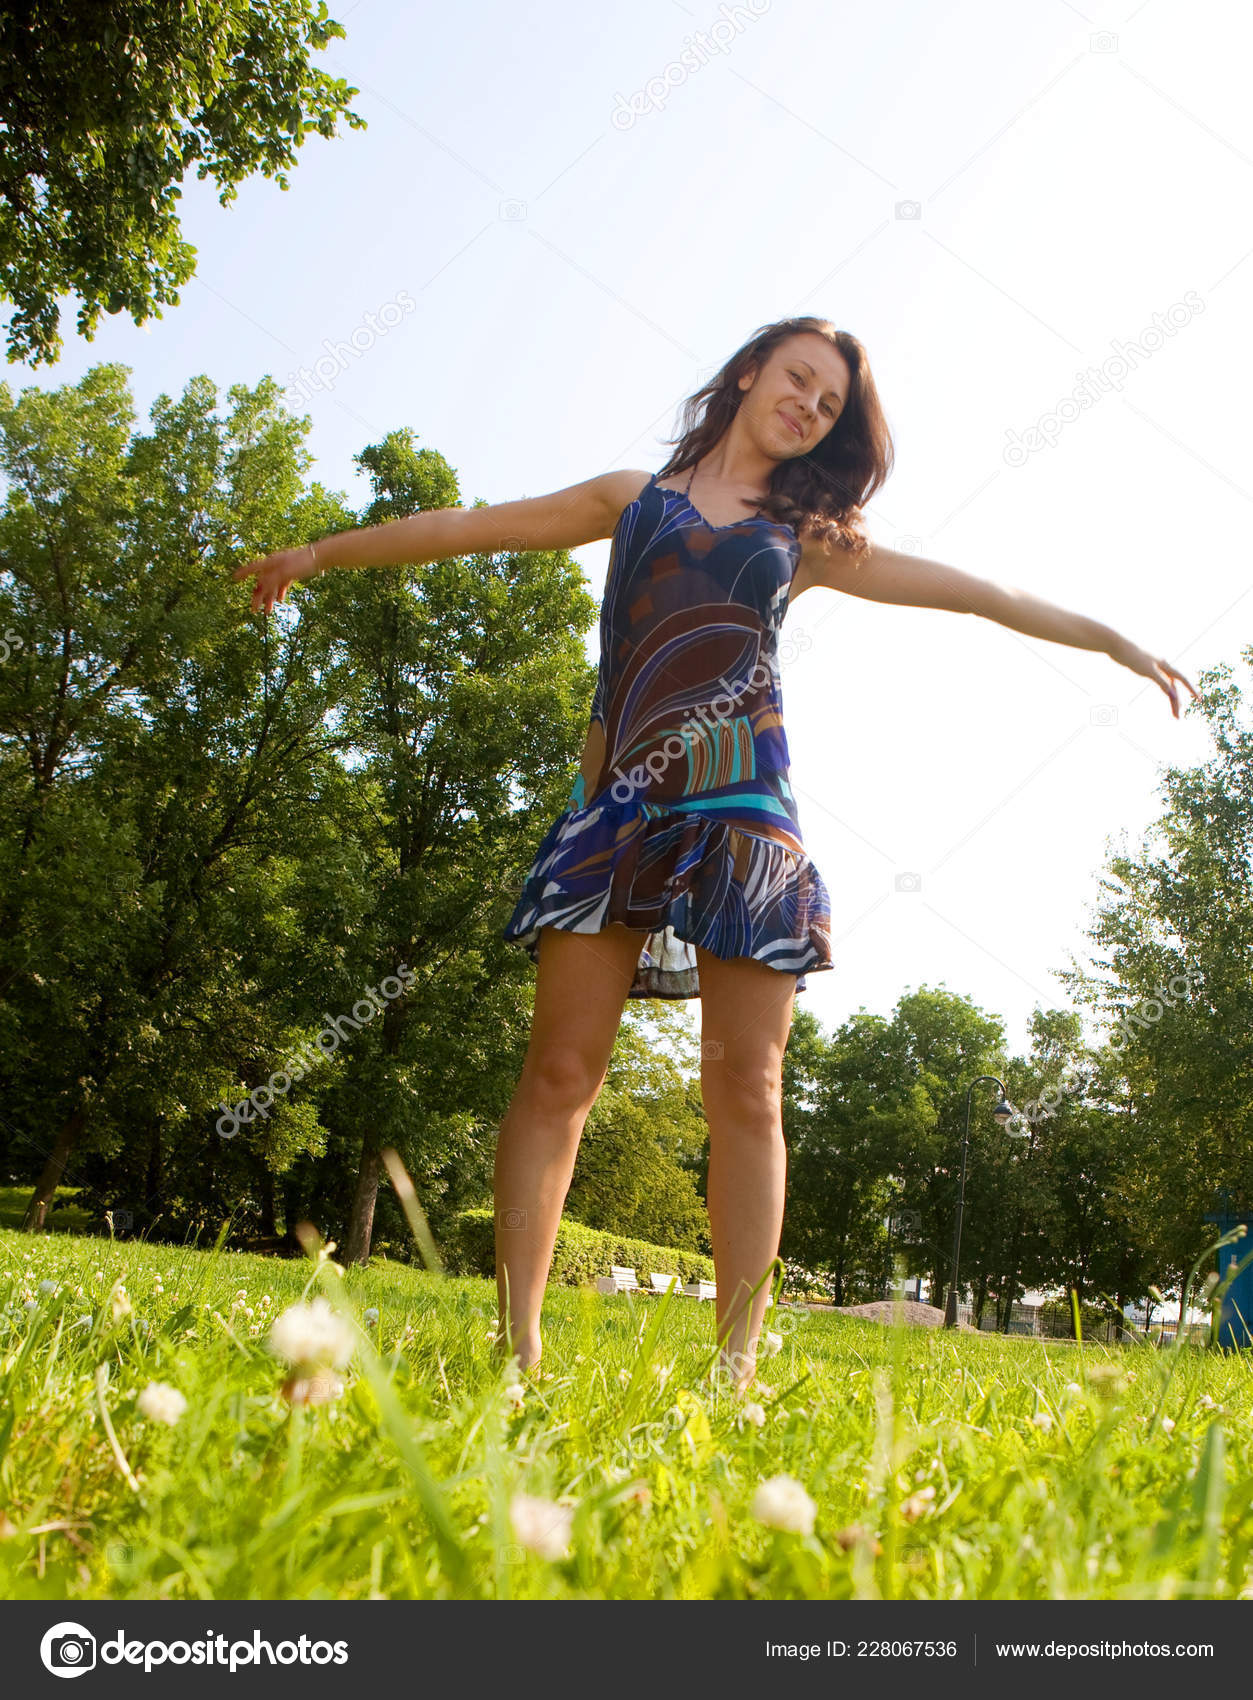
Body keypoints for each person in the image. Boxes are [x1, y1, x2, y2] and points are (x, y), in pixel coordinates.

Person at [234, 314, 1199, 1396]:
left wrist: (1112, 640)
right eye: (797, 379)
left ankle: (736, 1367)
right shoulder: (630, 498)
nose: (807, 407)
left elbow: (978, 592)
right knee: (558, 1074)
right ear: (747, 373)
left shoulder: (807, 538)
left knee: (748, 1084)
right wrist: (318, 553)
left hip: (744, 811)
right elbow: (471, 526)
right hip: (617, 807)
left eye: (828, 404)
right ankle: (516, 1352)